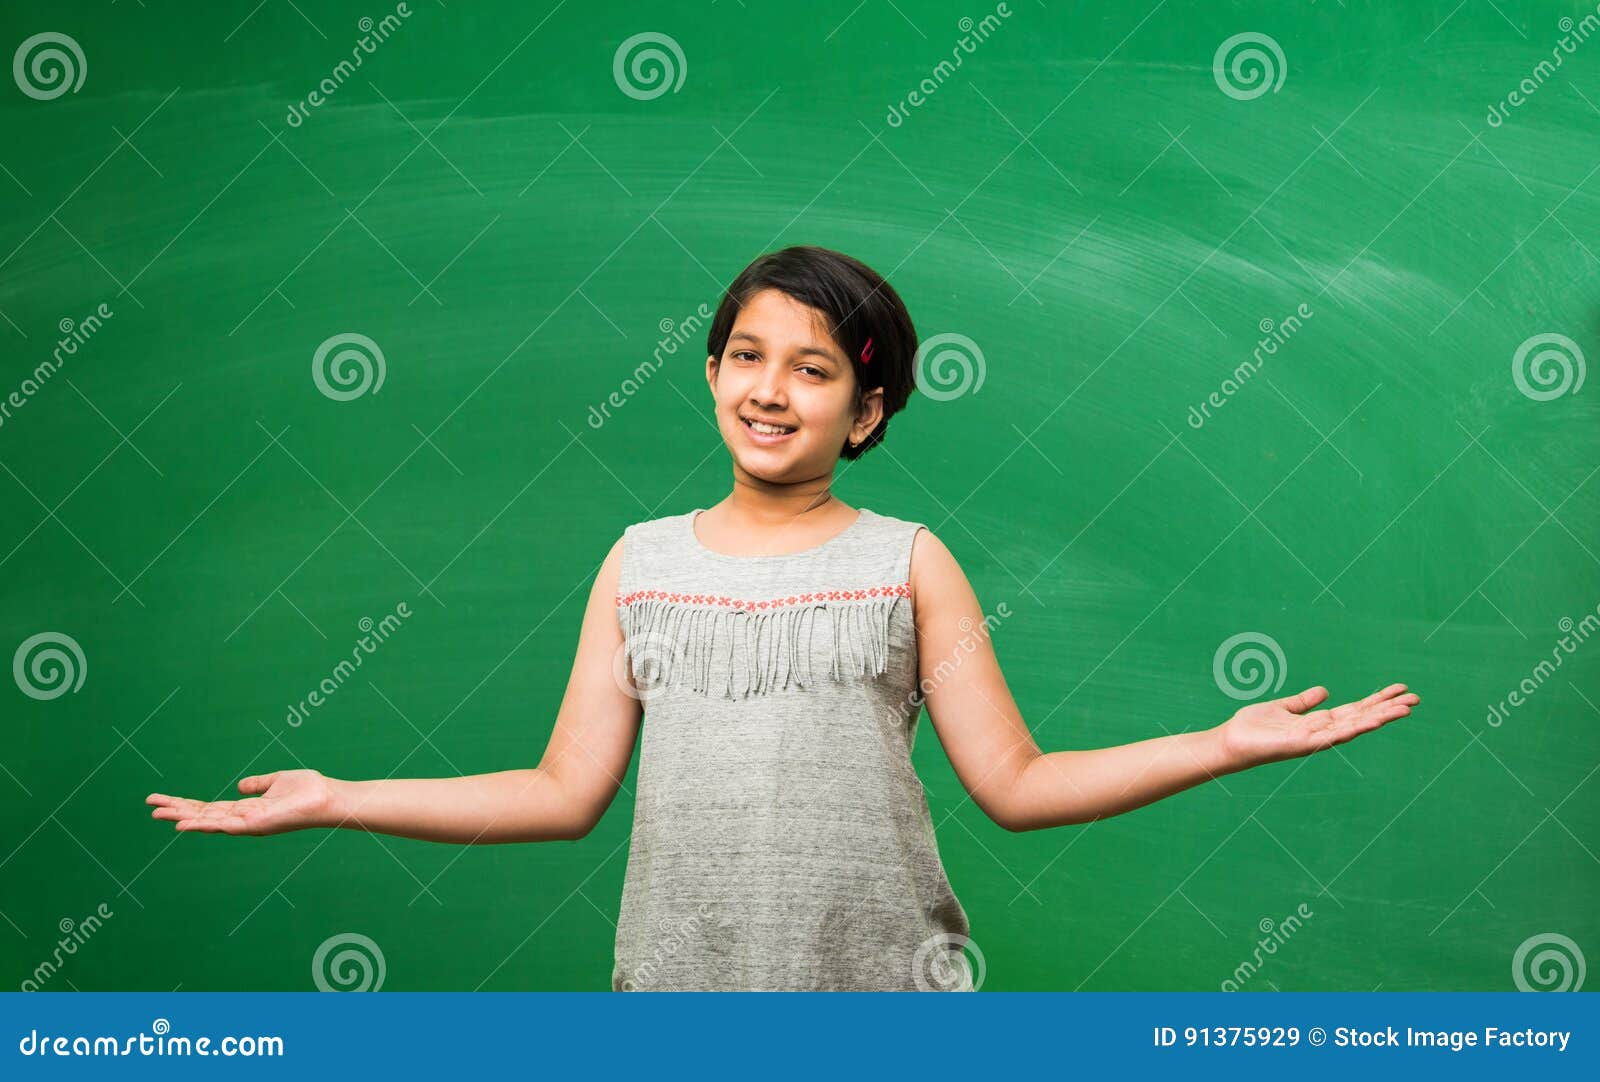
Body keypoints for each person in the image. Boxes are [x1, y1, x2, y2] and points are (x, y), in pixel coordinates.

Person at [146, 245, 1420, 991]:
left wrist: (1220, 742)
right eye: (747, 357)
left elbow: (1018, 782)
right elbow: (559, 788)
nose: (772, 391)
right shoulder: (637, 562)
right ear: (709, 375)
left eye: (814, 370)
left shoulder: (911, 563)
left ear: (863, 414)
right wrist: (342, 793)